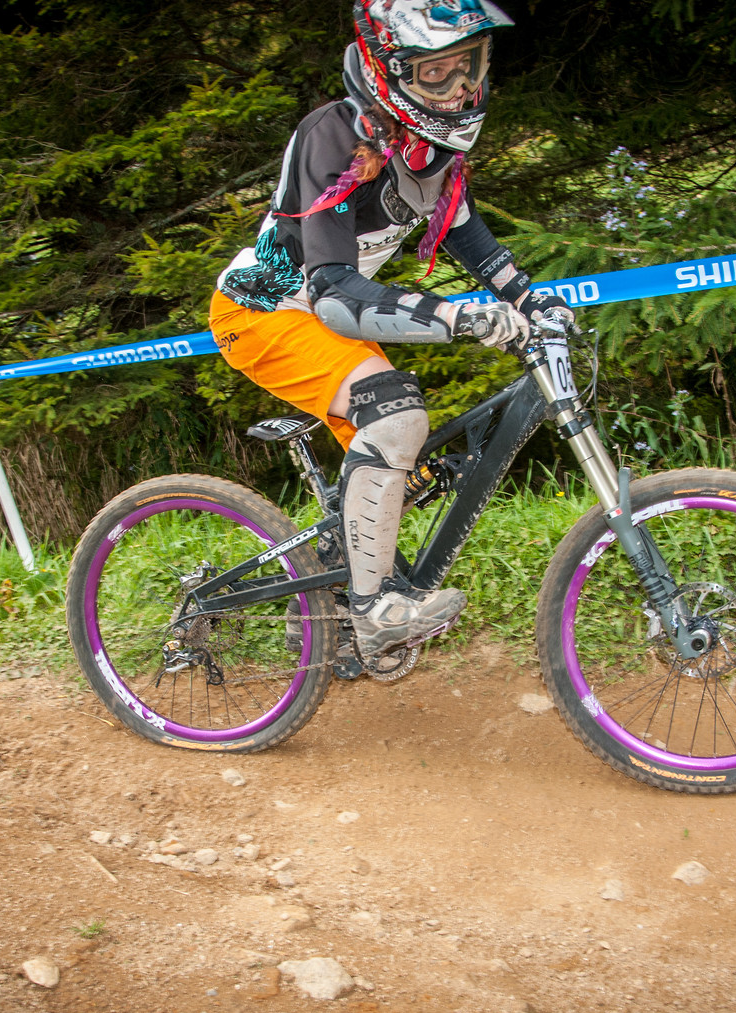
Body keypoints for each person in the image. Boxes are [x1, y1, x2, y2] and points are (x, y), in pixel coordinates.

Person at [209, 0, 572, 661]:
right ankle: (377, 610)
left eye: (470, 66)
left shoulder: (432, 146)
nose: (461, 88)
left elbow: (470, 238)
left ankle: (327, 604)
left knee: (411, 470)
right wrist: (455, 316)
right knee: (397, 414)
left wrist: (533, 301)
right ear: (390, 71)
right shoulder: (335, 137)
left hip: (323, 313)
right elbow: (333, 293)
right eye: (437, 74)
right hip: (264, 311)